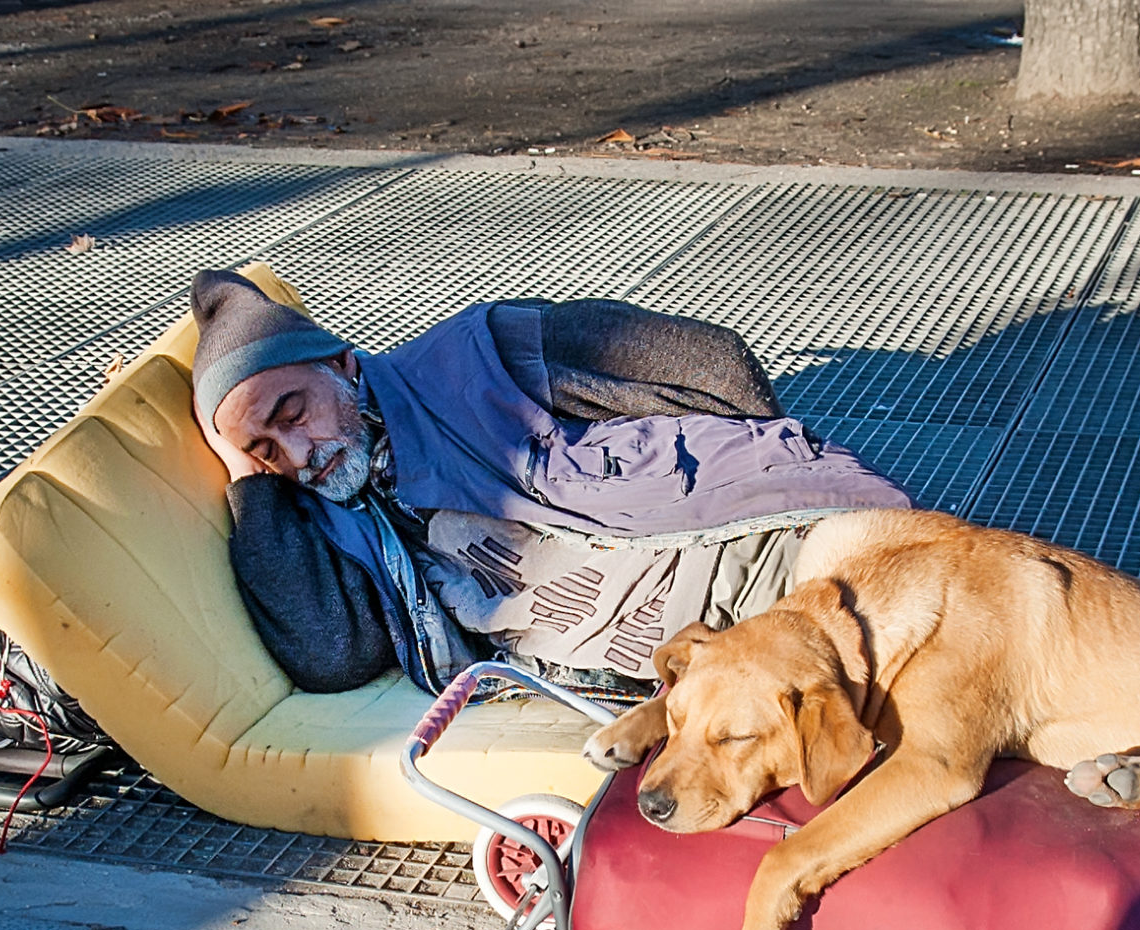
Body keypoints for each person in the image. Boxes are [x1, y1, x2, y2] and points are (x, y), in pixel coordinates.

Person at [189, 269, 911, 694]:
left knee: (932, 620)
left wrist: (763, 458)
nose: (299, 452)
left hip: (748, 550)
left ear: (343, 366)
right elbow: (332, 656)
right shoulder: (319, 518)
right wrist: (251, 484)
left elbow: (711, 362)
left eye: (294, 413)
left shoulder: (473, 358)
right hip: (683, 660)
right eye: (265, 448)